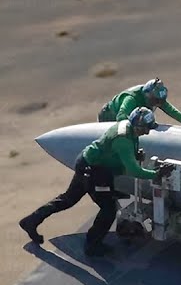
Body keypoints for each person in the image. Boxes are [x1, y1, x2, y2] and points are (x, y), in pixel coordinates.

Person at [20, 107, 172, 256]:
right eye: (146, 128)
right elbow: (134, 171)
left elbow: (116, 151)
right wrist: (157, 174)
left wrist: (134, 154)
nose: (147, 132)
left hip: (87, 162)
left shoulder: (126, 126)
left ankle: (31, 221)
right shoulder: (124, 140)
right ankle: (92, 246)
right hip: (94, 172)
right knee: (108, 209)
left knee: (68, 199)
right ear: (138, 126)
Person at [98, 78, 181, 128]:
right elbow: (121, 117)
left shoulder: (157, 98)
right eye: (155, 102)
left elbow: (172, 111)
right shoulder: (131, 98)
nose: (157, 105)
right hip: (109, 116)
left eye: (160, 102)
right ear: (147, 96)